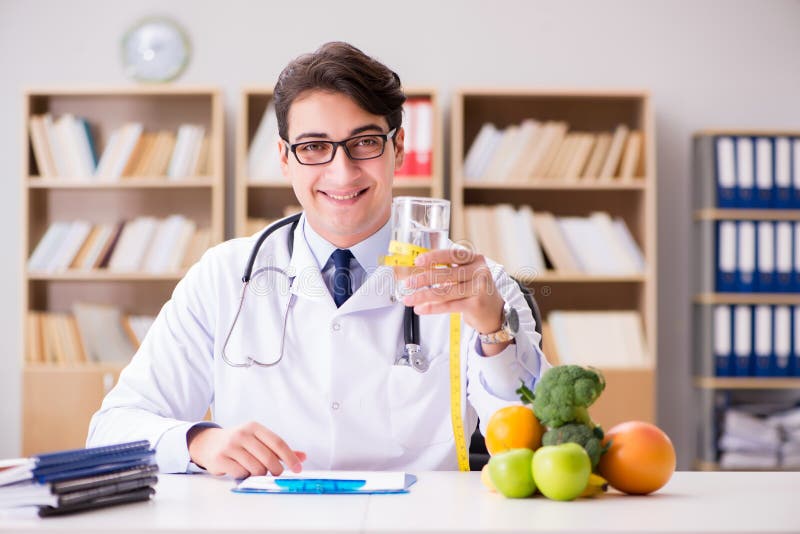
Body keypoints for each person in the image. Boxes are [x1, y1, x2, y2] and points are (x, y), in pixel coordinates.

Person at [87, 42, 550, 477]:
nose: (342, 171)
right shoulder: (222, 276)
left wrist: (495, 334)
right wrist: (197, 442)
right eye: (313, 147)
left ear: (399, 147)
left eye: (365, 142)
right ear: (285, 158)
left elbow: (537, 450)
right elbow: (111, 430)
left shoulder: (478, 284)